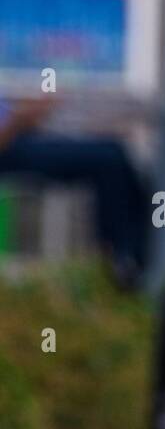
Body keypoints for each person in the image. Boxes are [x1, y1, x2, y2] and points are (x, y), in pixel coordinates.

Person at [0, 95, 151, 287]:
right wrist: (19, 120)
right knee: (107, 160)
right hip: (10, 148)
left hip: (24, 133)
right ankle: (119, 256)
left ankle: (129, 251)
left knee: (116, 150)